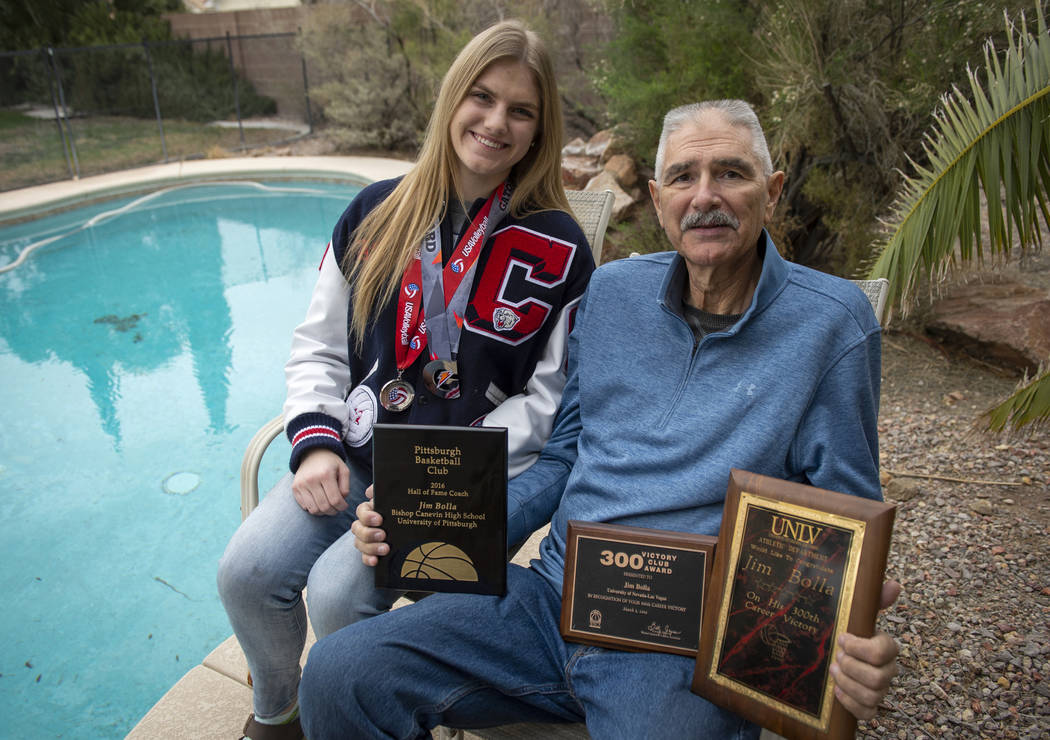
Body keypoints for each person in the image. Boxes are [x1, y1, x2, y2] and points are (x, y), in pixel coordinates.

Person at [300, 99, 900, 739]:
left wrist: (844, 638)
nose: (705, 197)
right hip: (551, 600)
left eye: (731, 173)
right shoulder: (613, 293)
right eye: (682, 177)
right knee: (339, 673)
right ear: (656, 196)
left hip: (684, 643)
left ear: (773, 192)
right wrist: (436, 526)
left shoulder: (831, 323)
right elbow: (564, 457)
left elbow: (843, 514)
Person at [216, 20, 595, 740]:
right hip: (349, 459)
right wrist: (318, 444)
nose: (495, 122)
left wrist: (434, 479)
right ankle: (280, 710)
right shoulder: (373, 212)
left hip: (440, 492)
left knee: (335, 595)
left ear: (541, 129)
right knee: (245, 571)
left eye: (521, 110)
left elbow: (545, 404)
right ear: (453, 98)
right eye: (481, 97)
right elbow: (319, 347)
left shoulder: (561, 249)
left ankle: (354, 711)